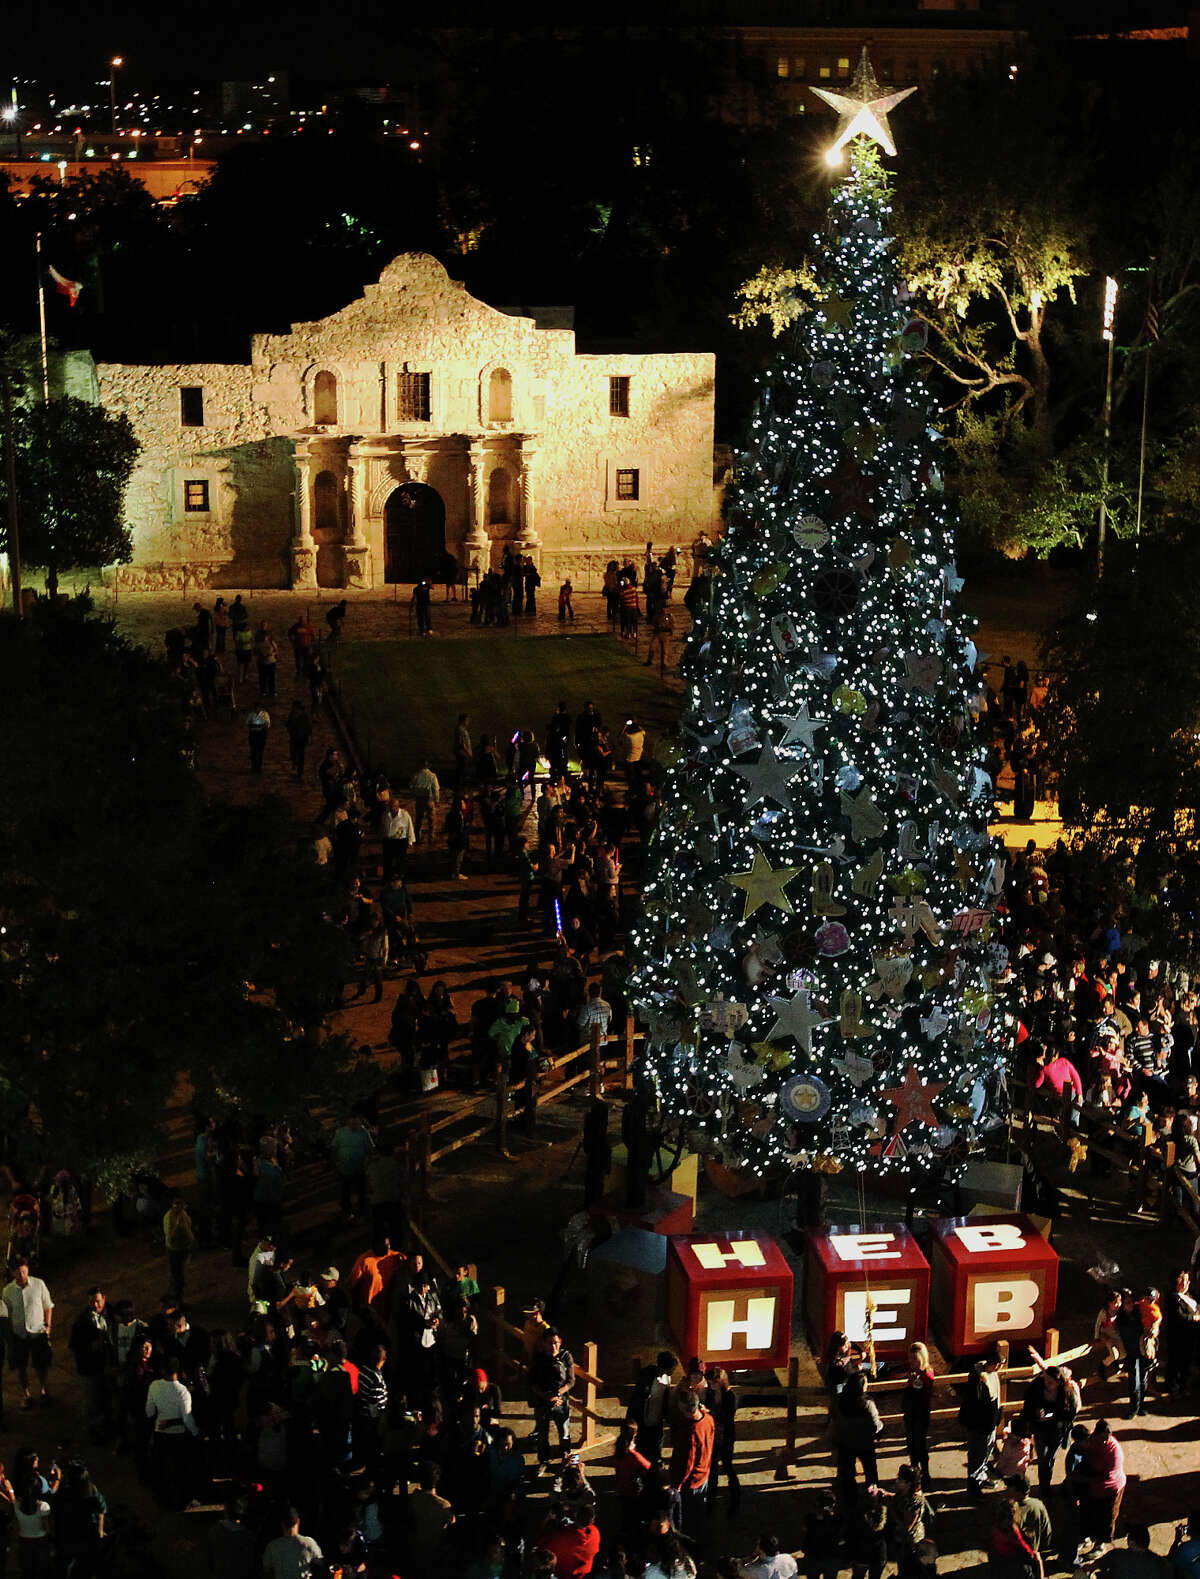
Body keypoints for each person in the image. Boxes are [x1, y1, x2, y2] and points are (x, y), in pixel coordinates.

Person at [145, 1356, 200, 1509]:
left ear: (162, 1370)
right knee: (180, 1469)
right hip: (178, 1435)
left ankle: (162, 1500)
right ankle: (182, 1501)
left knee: (161, 1467)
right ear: (179, 1371)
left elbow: (149, 1412)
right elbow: (187, 1419)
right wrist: (196, 1433)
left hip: (159, 1433)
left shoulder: (154, 1386)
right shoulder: (182, 1391)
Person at [1, 1259, 53, 1409]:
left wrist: (48, 1327)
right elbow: (6, 1314)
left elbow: (48, 1306)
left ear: (28, 1270)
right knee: (21, 1366)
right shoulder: (7, 1291)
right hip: (19, 1335)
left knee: (41, 1364)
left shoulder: (39, 1284)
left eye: (24, 1271)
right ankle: (26, 1394)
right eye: (18, 1272)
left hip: (38, 1332)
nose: (22, 1275)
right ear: (12, 1273)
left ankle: (43, 1389)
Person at [1018, 1363, 1076, 1487]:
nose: (1047, 1384)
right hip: (1040, 1429)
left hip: (1057, 1431)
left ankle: (1046, 1483)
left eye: (1050, 1382)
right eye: (1046, 1381)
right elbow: (1027, 1408)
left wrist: (1055, 1417)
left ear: (1058, 1383)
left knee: (1050, 1459)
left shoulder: (1066, 1393)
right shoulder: (1036, 1388)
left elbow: (1070, 1414)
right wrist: (1036, 1416)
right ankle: (1044, 1486)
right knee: (1043, 1459)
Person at [668, 1389, 715, 1540]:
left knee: (689, 1516)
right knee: (700, 1511)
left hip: (692, 1481)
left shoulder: (692, 1432)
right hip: (704, 1473)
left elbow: (688, 1463)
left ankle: (693, 1541)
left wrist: (678, 1484)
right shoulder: (708, 1419)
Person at [68, 1287, 113, 1442]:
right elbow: (74, 1345)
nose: (95, 1304)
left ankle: (106, 1425)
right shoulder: (81, 1322)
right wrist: (90, 1346)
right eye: (92, 1301)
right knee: (91, 1400)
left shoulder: (112, 1314)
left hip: (109, 1365)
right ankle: (92, 1429)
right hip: (90, 1368)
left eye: (98, 1301)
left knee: (107, 1397)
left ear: (104, 1299)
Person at [831, 1372, 882, 1501]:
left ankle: (849, 1498)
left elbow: (834, 1418)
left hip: (845, 1441)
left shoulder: (839, 1401)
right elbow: (875, 1424)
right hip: (864, 1442)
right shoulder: (867, 1403)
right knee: (870, 1471)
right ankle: (872, 1495)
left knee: (847, 1472)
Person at [530, 1329, 575, 1472]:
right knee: (543, 1435)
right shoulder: (538, 1358)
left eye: (555, 1342)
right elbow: (533, 1383)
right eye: (549, 1343)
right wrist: (547, 1397)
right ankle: (543, 1461)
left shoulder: (566, 1356)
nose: (553, 1346)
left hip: (561, 1402)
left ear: (560, 1342)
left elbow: (571, 1381)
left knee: (564, 1433)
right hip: (542, 1402)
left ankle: (566, 1460)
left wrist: (558, 1394)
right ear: (544, 1344)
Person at [958, 1351, 1002, 1497]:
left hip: (989, 1423)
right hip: (979, 1424)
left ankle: (981, 1477)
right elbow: (977, 1404)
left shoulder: (991, 1375)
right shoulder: (978, 1380)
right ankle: (973, 1487)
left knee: (985, 1452)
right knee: (977, 1454)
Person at [902, 1341, 935, 1484]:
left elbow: (921, 1395)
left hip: (920, 1414)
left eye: (914, 1359)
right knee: (912, 1444)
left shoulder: (926, 1374)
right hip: (911, 1413)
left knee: (920, 1445)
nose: (911, 1361)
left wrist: (914, 1381)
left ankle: (924, 1474)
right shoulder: (914, 1372)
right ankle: (915, 1471)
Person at [331, 1113, 373, 1219]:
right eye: (352, 1123)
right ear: (347, 1122)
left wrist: (368, 1161)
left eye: (356, 1123)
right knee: (345, 1189)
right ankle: (346, 1209)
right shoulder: (340, 1132)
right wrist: (336, 1162)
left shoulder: (364, 1132)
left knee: (360, 1189)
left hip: (360, 1166)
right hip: (345, 1167)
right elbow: (334, 1147)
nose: (354, 1125)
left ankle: (361, 1208)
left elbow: (370, 1148)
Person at [262, 1508, 324, 1579]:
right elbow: (320, 1562)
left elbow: (266, 1568)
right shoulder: (309, 1543)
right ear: (298, 1522)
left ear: (282, 1524)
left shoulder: (272, 1547)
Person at [163, 1198, 196, 1299]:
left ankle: (179, 1294)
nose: (180, 1208)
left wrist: (192, 1242)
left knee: (181, 1273)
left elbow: (188, 1228)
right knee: (177, 1274)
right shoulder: (169, 1217)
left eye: (181, 1206)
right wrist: (177, 1226)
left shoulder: (183, 1214)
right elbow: (170, 1236)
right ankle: (176, 1297)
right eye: (177, 1205)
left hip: (183, 1248)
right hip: (174, 1250)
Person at [412, 760, 441, 843]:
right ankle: (431, 837)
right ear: (428, 766)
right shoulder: (432, 776)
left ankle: (417, 837)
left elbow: (412, 786)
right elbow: (436, 789)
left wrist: (415, 796)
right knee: (431, 819)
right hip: (429, 799)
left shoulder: (416, 775)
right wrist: (437, 800)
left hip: (419, 799)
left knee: (419, 819)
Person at [285, 701, 311, 779]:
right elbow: (288, 723)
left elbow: (308, 727)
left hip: (301, 738)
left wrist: (308, 736)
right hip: (294, 737)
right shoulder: (293, 714)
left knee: (301, 754)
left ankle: (300, 769)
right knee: (294, 752)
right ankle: (295, 763)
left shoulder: (304, 715)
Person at [247, 703, 271, 775]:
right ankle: (254, 766)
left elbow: (266, 725)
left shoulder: (265, 714)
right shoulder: (251, 715)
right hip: (253, 735)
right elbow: (248, 724)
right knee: (253, 751)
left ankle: (258, 766)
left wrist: (256, 726)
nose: (257, 710)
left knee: (260, 751)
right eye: (256, 708)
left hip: (261, 735)